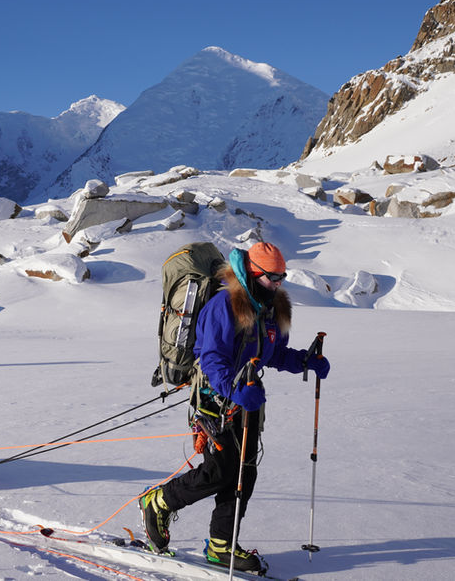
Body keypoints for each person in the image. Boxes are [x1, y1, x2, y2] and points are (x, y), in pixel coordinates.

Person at [140, 242, 330, 573]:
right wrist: (234, 389)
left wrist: (304, 361)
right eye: (272, 277)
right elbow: (212, 358)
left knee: (245, 472)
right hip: (215, 396)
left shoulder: (272, 307)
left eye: (282, 277)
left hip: (248, 396)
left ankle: (221, 545)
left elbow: (273, 353)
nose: (278, 283)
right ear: (253, 273)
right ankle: (158, 502)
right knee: (219, 471)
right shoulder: (225, 305)